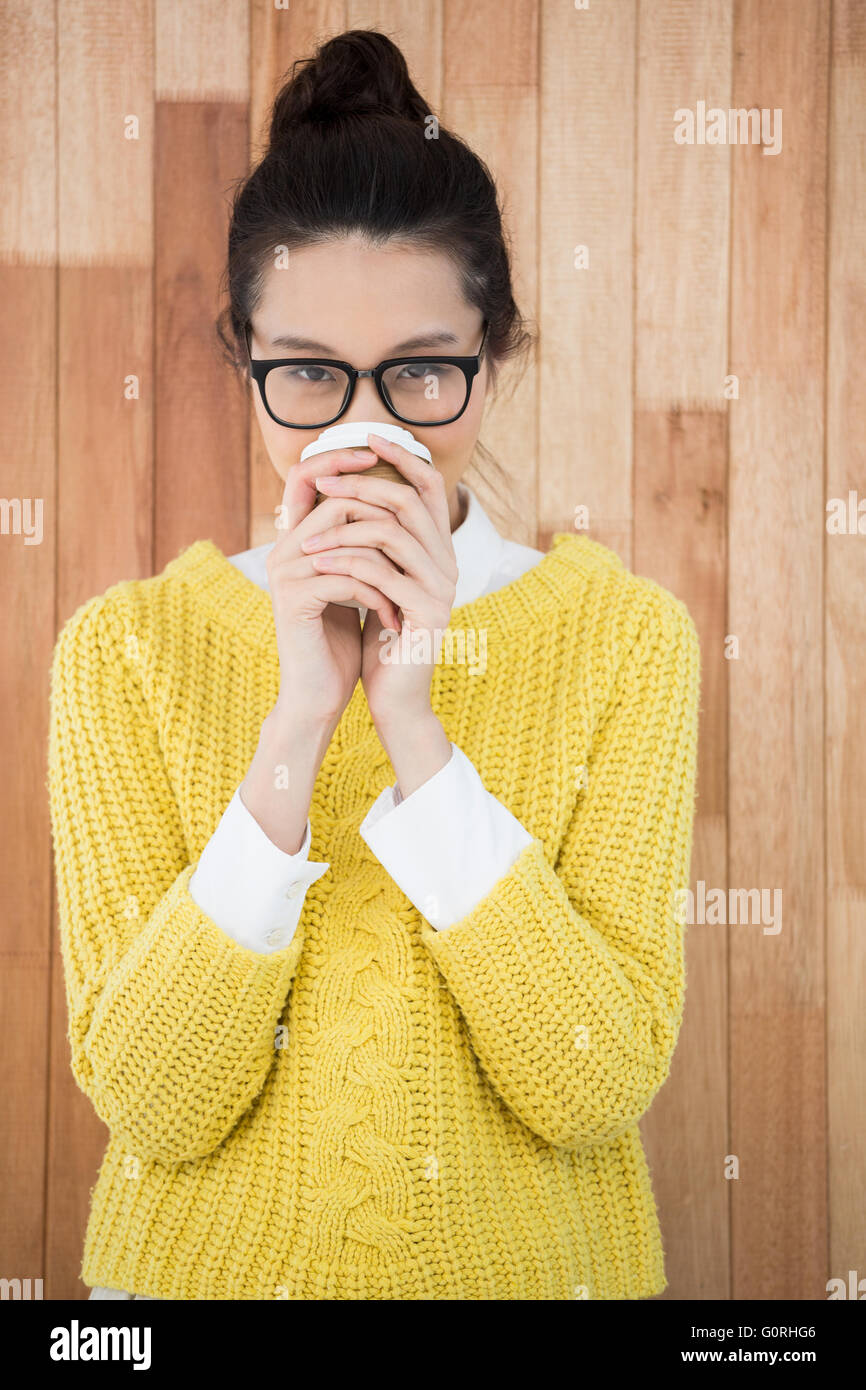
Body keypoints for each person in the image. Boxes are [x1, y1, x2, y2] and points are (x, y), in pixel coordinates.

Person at [48, 28, 701, 1301]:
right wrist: (298, 719)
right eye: (307, 372)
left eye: (418, 372)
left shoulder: (626, 639)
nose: (361, 425)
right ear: (245, 360)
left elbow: (596, 1081)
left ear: (492, 358)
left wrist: (415, 729)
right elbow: (151, 1100)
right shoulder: (126, 651)